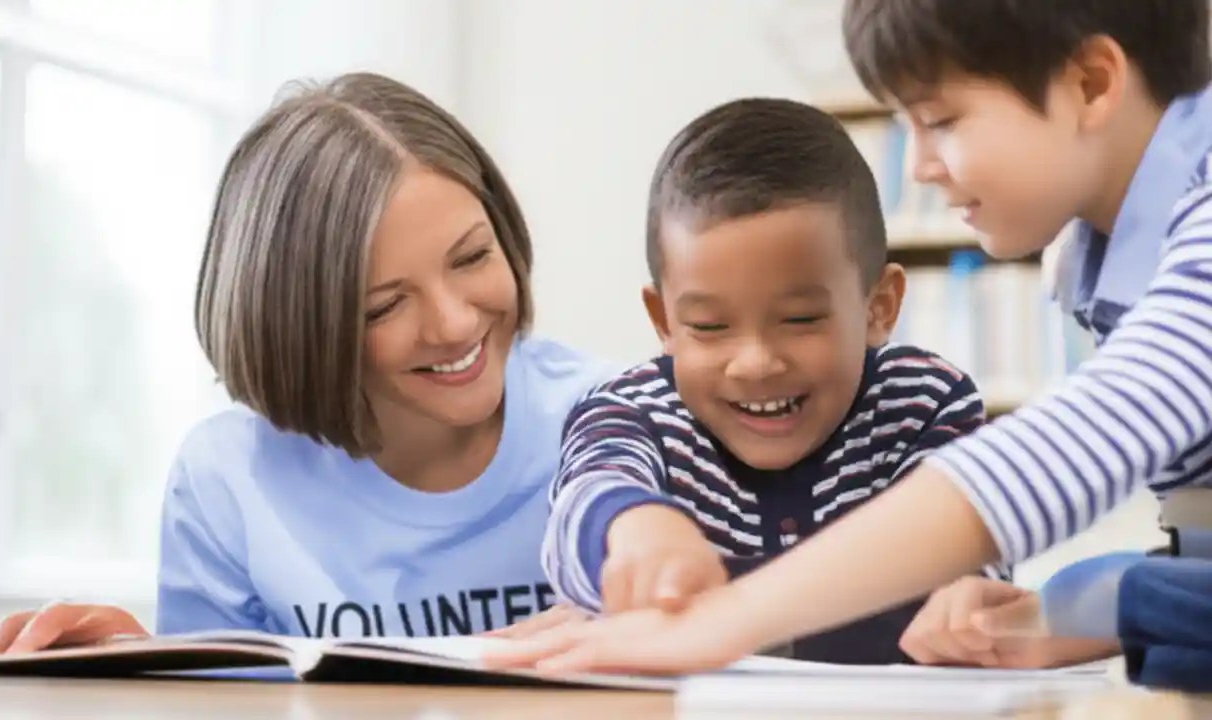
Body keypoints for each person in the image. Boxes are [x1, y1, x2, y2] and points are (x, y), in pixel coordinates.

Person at [487, 0, 1212, 678]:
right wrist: (1083, 608)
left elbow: (1087, 441)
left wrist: (722, 619)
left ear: (1090, 84)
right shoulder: (1124, 257)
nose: (922, 167)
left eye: (942, 120)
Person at [0, 72, 615, 655]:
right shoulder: (226, 480)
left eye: (472, 257)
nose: (455, 323)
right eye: (384, 306)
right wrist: (138, 666)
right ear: (302, 325)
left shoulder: (620, 423)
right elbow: (226, 702)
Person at [540, 97, 1003, 664]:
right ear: (664, 323)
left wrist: (708, 612)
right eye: (709, 326)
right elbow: (579, 521)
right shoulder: (632, 410)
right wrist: (635, 530)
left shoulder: (924, 402)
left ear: (879, 307)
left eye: (800, 319)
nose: (755, 363)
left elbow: (952, 595)